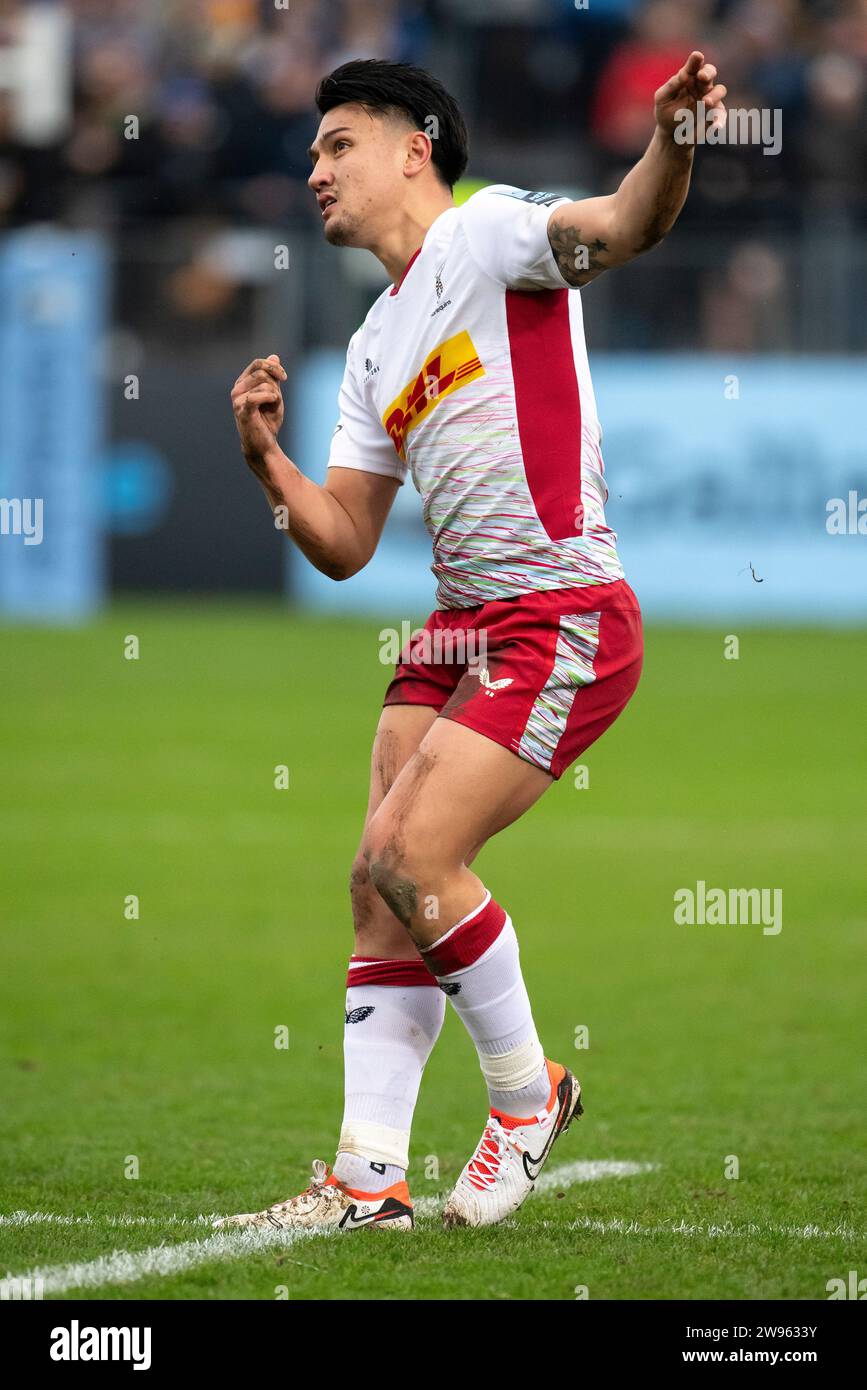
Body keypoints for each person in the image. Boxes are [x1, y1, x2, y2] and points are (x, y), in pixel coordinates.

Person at [216, 51, 726, 1232]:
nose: (315, 168)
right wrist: (266, 465)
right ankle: (367, 1180)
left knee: (410, 847)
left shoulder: (492, 233)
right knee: (376, 882)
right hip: (457, 628)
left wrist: (677, 142)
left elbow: (624, 224)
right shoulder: (373, 346)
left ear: (416, 149)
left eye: (339, 143)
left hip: (562, 613)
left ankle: (526, 1092)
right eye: (312, 150)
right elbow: (344, 539)